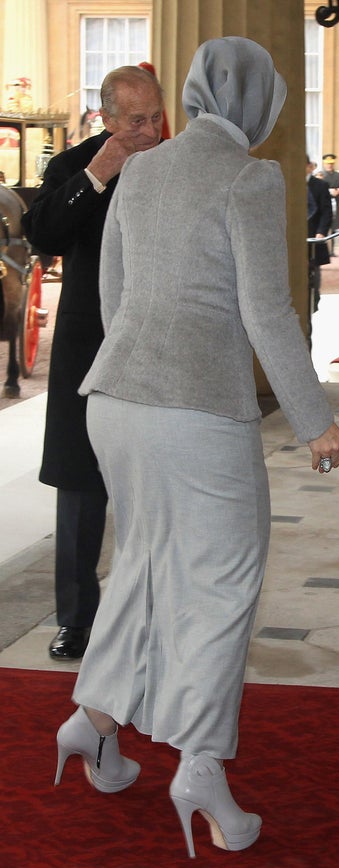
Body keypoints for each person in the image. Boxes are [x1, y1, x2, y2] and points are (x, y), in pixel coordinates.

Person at [52, 36, 339, 859]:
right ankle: (203, 767)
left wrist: (143, 368)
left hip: (114, 398)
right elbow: (269, 311)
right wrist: (313, 416)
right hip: (197, 413)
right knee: (220, 586)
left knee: (145, 563)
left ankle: (94, 721)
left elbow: (113, 294)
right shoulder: (251, 177)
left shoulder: (141, 168)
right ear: (260, 105)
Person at [22, 66, 165, 660]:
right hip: (88, 351)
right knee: (81, 489)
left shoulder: (175, 161)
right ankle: (77, 619)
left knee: (154, 489)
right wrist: (101, 170)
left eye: (156, 116)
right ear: (106, 118)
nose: (150, 131)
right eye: (136, 121)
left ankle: (149, 612)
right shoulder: (74, 166)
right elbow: (45, 233)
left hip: (158, 348)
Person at [307, 155, 332, 312]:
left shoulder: (320, 185)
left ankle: (314, 301)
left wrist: (321, 232)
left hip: (314, 237)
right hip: (293, 240)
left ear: (309, 166)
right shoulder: (288, 182)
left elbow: (326, 212)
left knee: (313, 273)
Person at [321, 153, 339, 251]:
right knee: (325, 226)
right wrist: (329, 191)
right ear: (324, 164)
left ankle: (332, 249)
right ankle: (325, 249)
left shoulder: (338, 175)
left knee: (334, 227)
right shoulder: (321, 175)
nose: (329, 165)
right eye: (328, 164)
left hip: (336, 201)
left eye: (331, 164)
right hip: (326, 202)